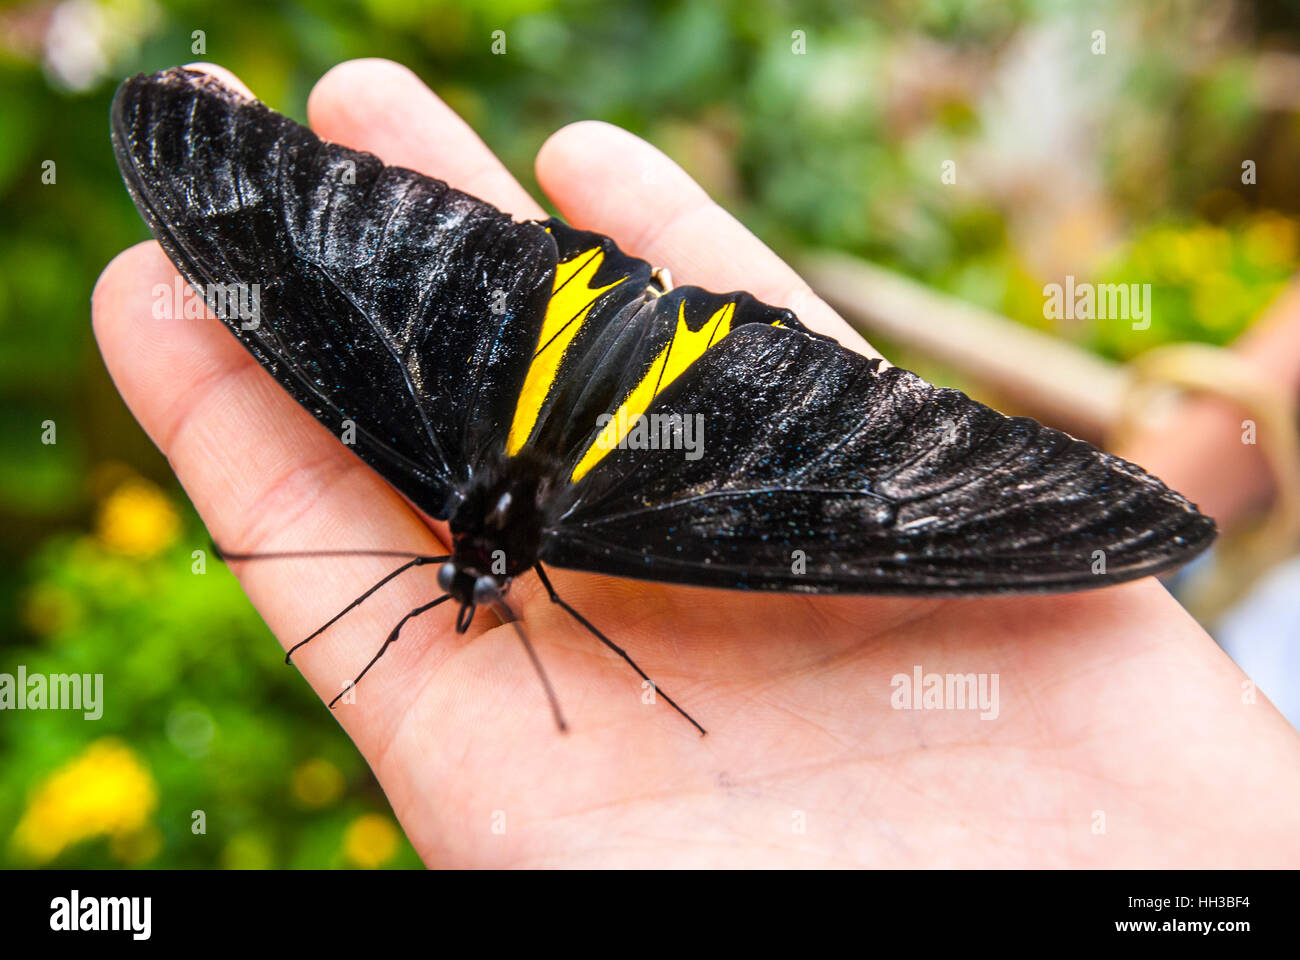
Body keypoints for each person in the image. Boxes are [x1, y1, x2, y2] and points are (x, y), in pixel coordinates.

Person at [93, 59, 1300, 867]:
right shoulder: (578, 528)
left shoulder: (412, 445)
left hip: (552, 331)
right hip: (632, 363)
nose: (476, 582)